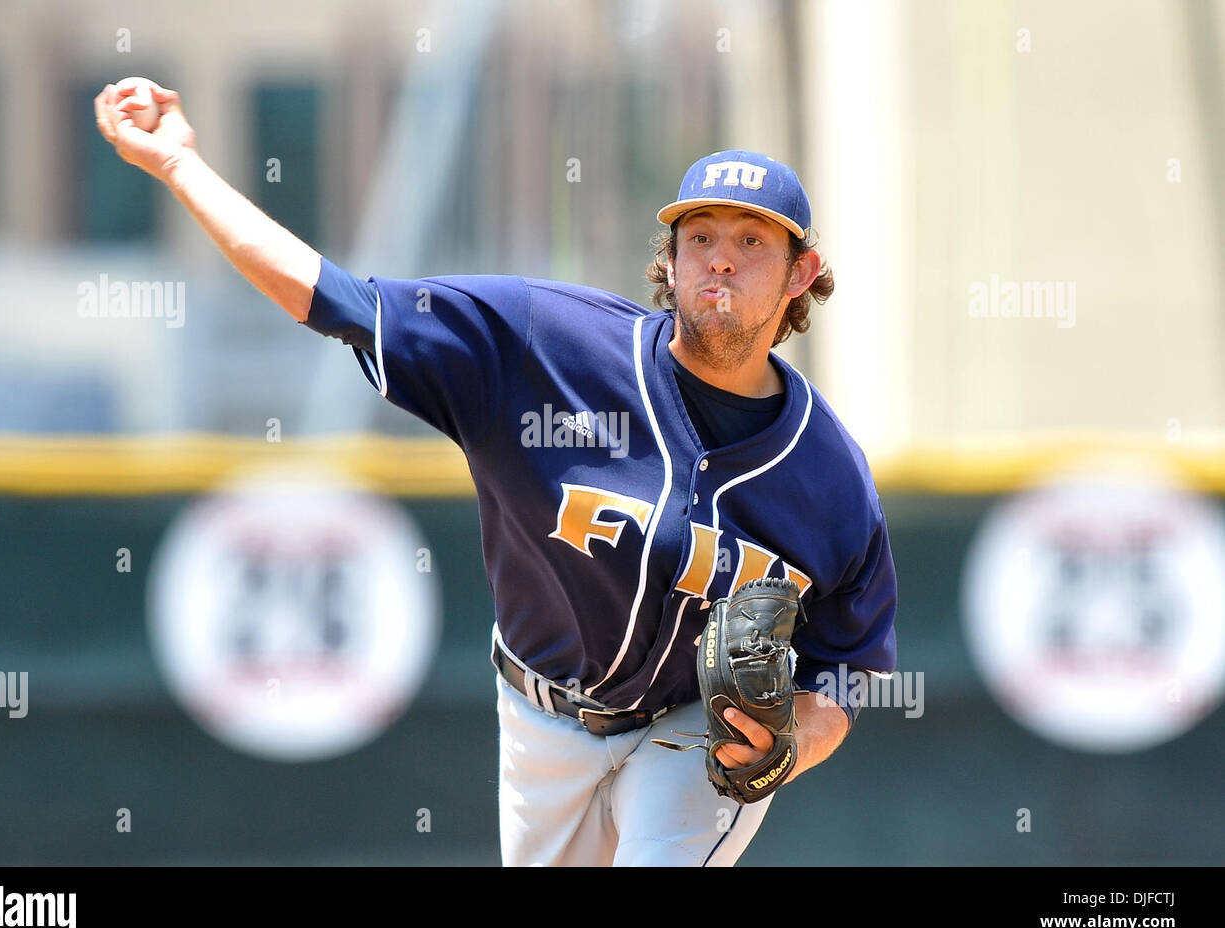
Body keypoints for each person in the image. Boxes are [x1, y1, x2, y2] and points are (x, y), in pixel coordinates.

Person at [95, 81, 899, 867]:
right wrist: (179, 167)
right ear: (672, 257)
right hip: (540, 717)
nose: (720, 261)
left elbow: (850, 664)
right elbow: (330, 297)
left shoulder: (829, 476)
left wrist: (792, 744)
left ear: (801, 272)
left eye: (752, 242)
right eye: (701, 238)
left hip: (693, 731)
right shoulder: (541, 345)